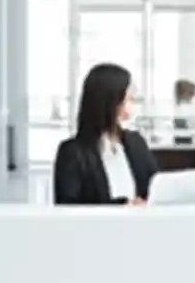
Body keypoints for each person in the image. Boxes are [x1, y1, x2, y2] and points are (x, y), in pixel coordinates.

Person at [53, 63, 158, 205]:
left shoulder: (135, 142)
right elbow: (68, 205)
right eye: (129, 97)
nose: (133, 102)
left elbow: (155, 186)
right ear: (112, 100)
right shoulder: (72, 152)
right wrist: (122, 205)